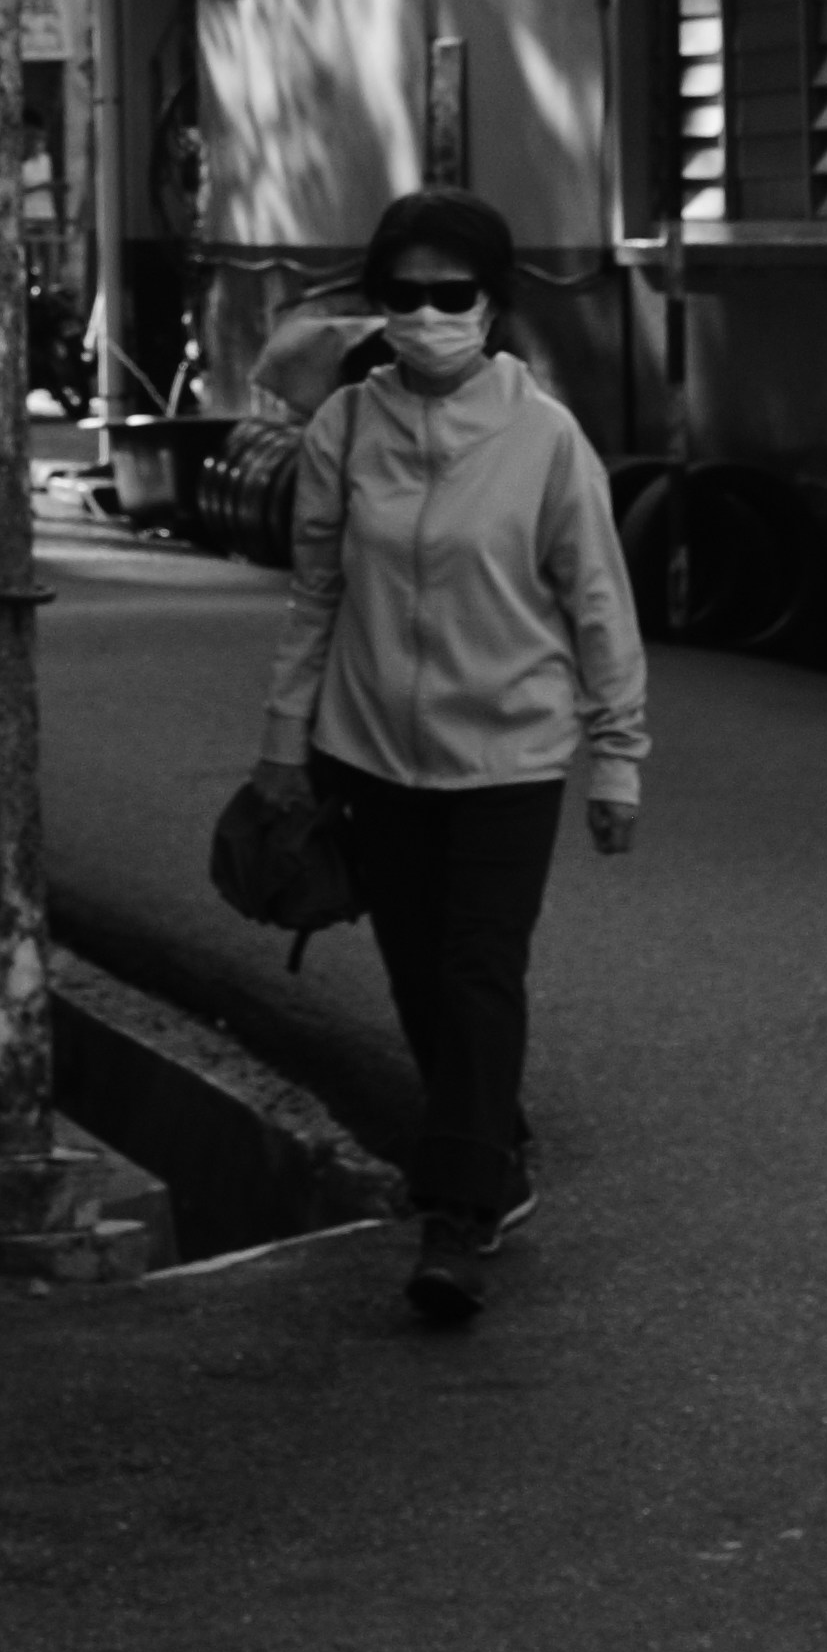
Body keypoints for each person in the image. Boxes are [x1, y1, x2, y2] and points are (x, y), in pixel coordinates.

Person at [246, 184, 647, 1328]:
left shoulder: (545, 440)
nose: (426, 315)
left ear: (494, 304)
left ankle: (457, 1214)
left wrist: (615, 760)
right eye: (403, 294)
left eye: (450, 294)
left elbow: (600, 609)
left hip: (509, 759)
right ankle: (493, 1140)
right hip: (369, 755)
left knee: (478, 973)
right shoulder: (345, 428)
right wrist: (286, 749)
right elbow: (315, 597)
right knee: (421, 979)